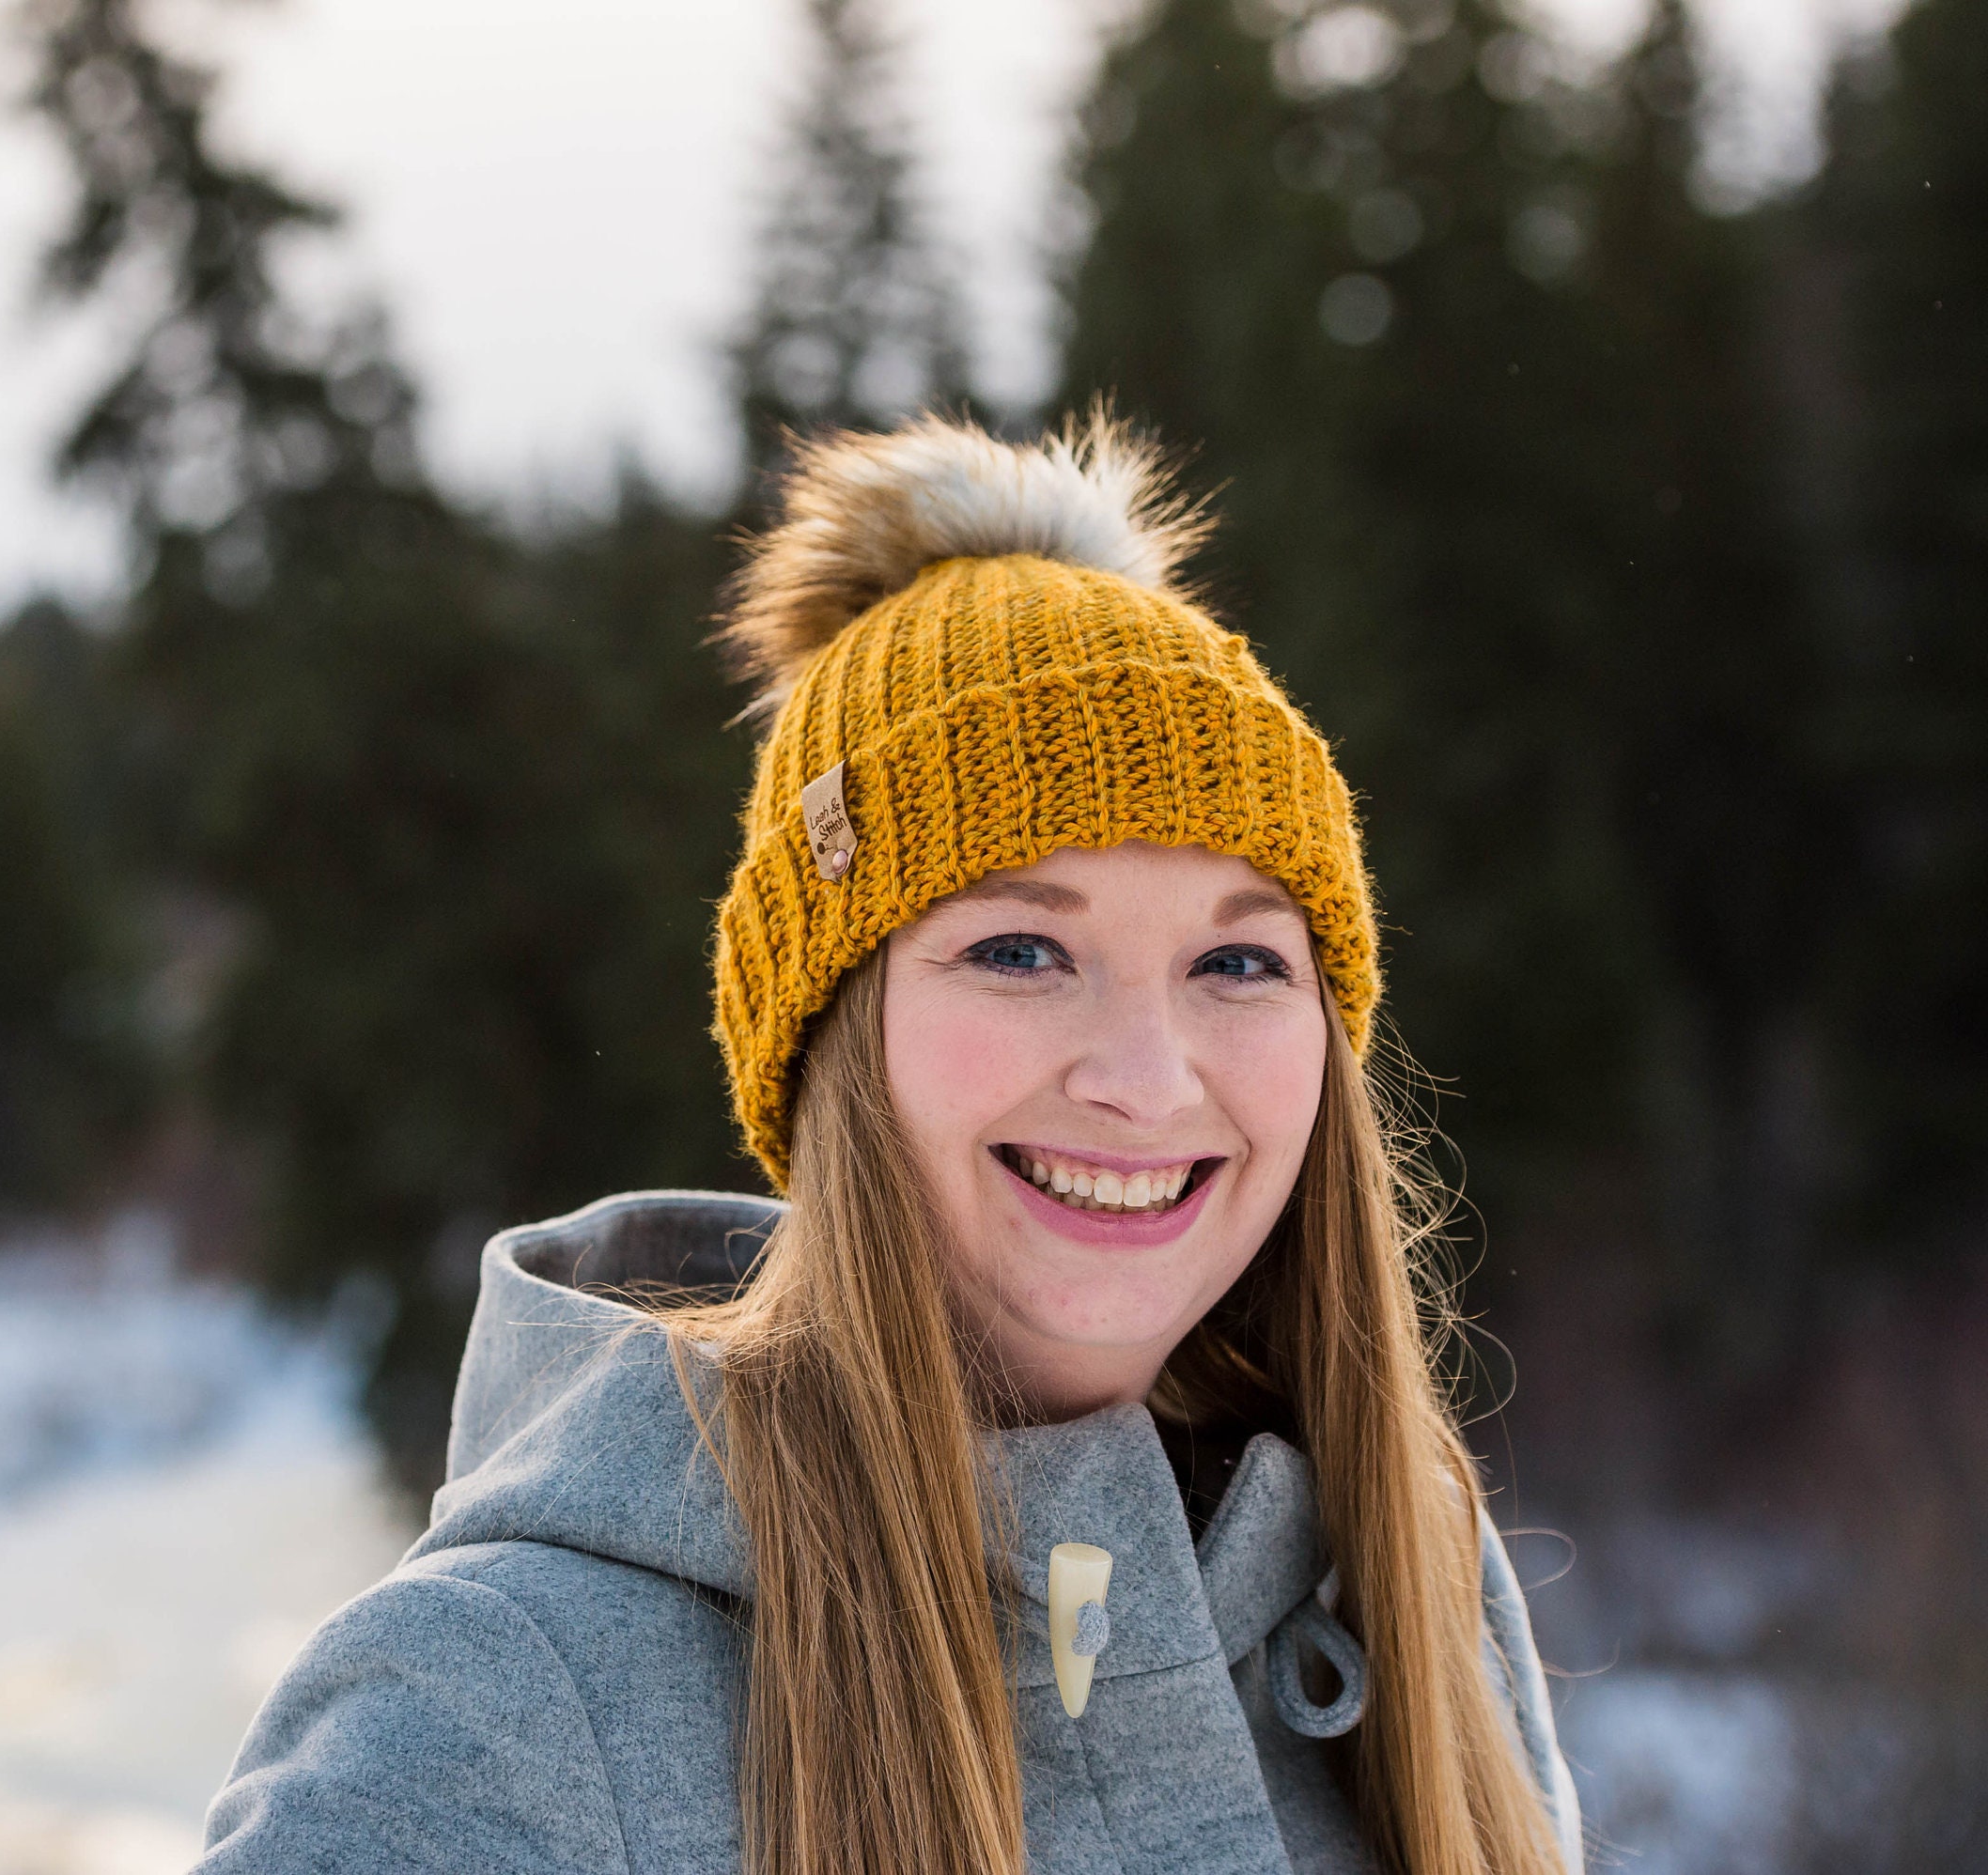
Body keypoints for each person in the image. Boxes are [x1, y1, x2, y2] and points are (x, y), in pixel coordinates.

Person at [193, 417, 1584, 1874]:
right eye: (1023, 950)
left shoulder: (1413, 1596)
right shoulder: (495, 1720)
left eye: (1238, 966)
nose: (1146, 1081)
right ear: (832, 1047)